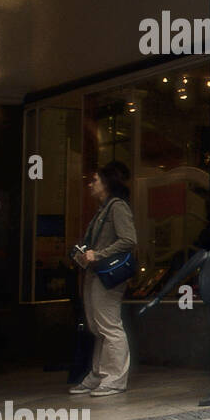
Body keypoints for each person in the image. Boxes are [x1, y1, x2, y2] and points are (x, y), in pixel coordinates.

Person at [69, 161, 137, 397]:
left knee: (109, 326)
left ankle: (115, 378)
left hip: (107, 275)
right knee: (97, 326)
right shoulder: (103, 210)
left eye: (95, 180)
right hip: (95, 273)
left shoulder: (117, 207)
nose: (90, 185)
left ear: (107, 183)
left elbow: (129, 239)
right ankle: (98, 375)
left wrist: (98, 254)